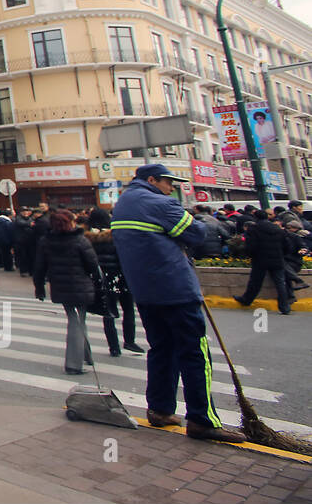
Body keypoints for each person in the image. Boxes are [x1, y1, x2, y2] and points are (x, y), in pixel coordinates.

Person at [112, 164, 244, 442]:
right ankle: (202, 420)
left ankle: (160, 409)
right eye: (168, 182)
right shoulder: (160, 203)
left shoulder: (122, 203)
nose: (171, 188)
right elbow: (197, 233)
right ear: (152, 180)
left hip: (145, 291)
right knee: (195, 353)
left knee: (162, 349)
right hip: (175, 289)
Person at [33, 209, 99, 374]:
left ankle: (86, 355)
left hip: (60, 285)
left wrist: (39, 288)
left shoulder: (46, 241)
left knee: (75, 318)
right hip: (81, 284)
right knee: (78, 320)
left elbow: (39, 267)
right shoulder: (80, 240)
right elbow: (92, 264)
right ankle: (73, 364)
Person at [85, 207, 144, 355]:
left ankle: (114, 347)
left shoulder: (88, 237)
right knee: (128, 309)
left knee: (108, 313)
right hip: (122, 276)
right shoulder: (117, 235)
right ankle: (130, 341)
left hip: (103, 279)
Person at [237, 210, 294, 314]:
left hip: (260, 260)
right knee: (280, 283)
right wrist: (282, 255)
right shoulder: (277, 229)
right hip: (277, 259)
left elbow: (251, 246)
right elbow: (287, 245)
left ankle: (247, 300)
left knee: (255, 282)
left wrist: (250, 255)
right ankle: (285, 307)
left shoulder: (253, 229)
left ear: (256, 218)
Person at [0, 209, 15, 274]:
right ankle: (9, 267)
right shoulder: (7, 222)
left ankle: (6, 266)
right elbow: (10, 231)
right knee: (8, 254)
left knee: (4, 254)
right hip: (7, 240)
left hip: (0, 240)